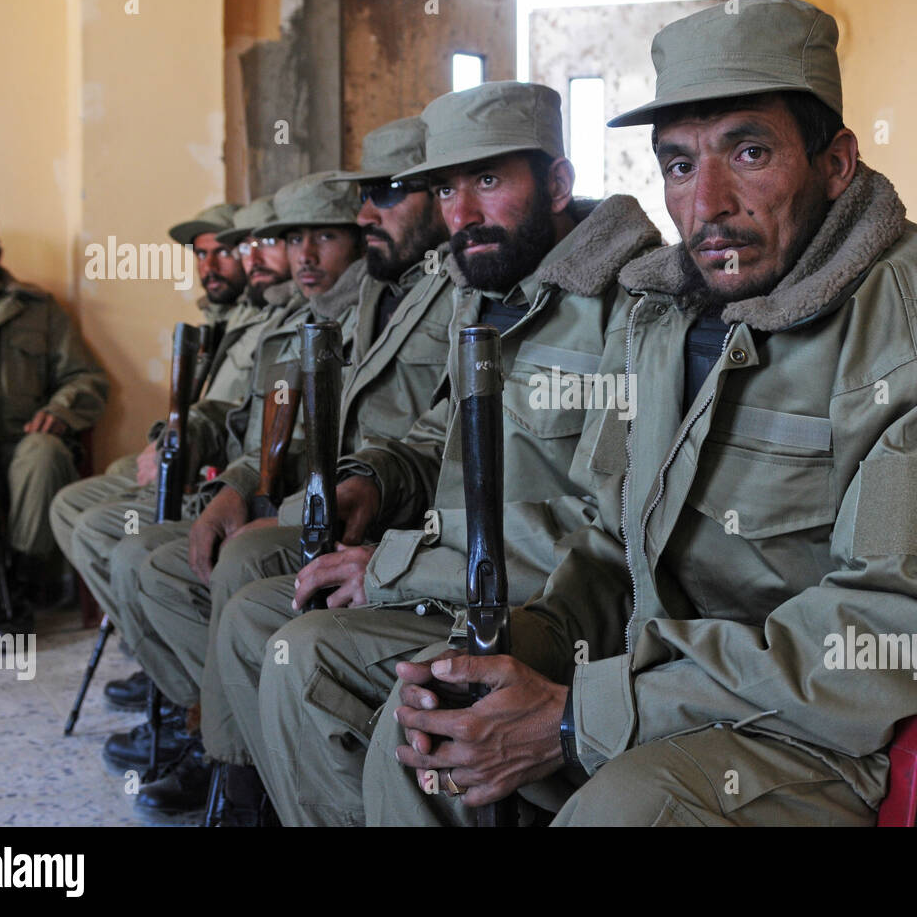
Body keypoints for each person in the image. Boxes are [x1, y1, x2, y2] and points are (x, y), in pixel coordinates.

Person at [363, 0, 917, 826]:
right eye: (680, 165)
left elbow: (898, 629)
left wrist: (588, 710)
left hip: (822, 736)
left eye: (751, 151)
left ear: (835, 164)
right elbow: (613, 544)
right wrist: (534, 643)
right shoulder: (664, 314)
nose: (708, 203)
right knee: (424, 740)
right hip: (651, 690)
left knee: (627, 811)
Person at [235, 81, 662, 825]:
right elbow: (443, 430)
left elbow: (606, 528)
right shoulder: (485, 291)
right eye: (445, 189)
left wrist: (395, 564)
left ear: (557, 183)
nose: (461, 214)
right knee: (257, 617)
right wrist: (372, 480)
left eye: (489, 181)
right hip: (456, 578)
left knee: (313, 657)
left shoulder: (630, 312)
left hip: (546, 610)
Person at [129, 117, 455, 823]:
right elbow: (311, 424)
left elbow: (439, 440)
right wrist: (237, 482)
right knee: (168, 558)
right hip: (356, 495)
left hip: (409, 526)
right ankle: (239, 767)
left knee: (248, 571)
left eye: (391, 192)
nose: (367, 213)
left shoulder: (462, 290)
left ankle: (244, 777)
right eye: (367, 194)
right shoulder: (385, 291)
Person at [102, 171, 372, 820]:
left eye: (323, 237)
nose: (299, 255)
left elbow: (381, 440)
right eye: (289, 238)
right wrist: (231, 482)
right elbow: (259, 426)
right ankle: (210, 730)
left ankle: (233, 769)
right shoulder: (298, 319)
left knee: (242, 565)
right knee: (136, 554)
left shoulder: (381, 312)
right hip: (284, 490)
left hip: (353, 508)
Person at [49, 201, 281, 710]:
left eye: (226, 251)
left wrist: (194, 451)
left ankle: (189, 699)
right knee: (83, 495)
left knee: (102, 528)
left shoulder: (273, 317)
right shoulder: (223, 318)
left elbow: (241, 419)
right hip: (208, 461)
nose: (210, 266)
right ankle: (154, 652)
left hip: (226, 476)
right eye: (201, 256)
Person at [0, 210, 108, 631]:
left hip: (20, 433)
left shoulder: (38, 308)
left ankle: (23, 583)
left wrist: (59, 411)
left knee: (44, 454)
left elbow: (85, 377)